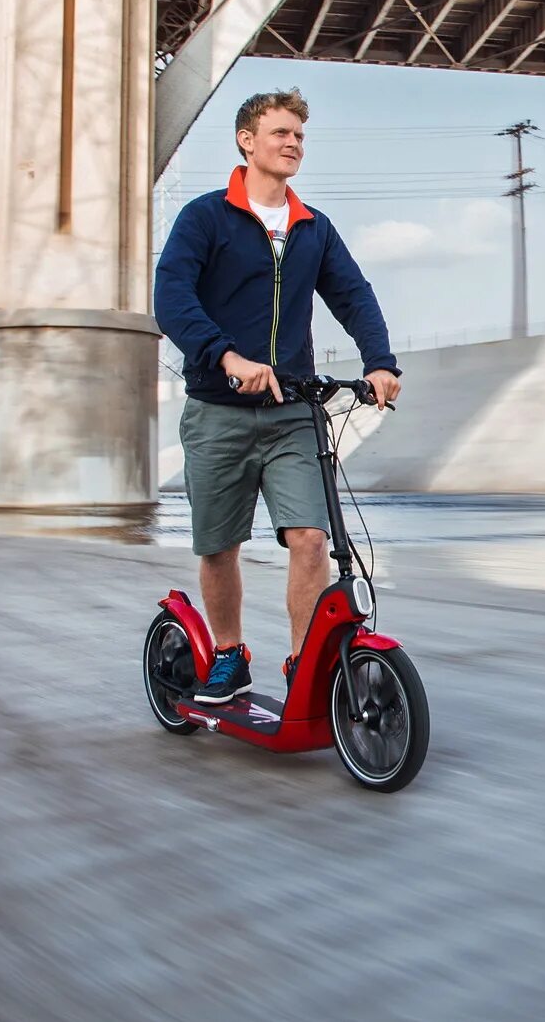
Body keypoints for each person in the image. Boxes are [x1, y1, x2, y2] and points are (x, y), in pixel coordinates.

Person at [154, 88, 401, 705]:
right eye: (281, 133)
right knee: (218, 547)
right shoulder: (206, 218)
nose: (293, 144)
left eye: (299, 137)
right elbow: (173, 298)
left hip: (293, 412)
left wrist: (380, 362)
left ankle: (303, 667)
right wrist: (226, 356)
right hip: (218, 412)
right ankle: (230, 655)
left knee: (312, 539)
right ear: (247, 140)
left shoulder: (312, 228)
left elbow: (353, 295)